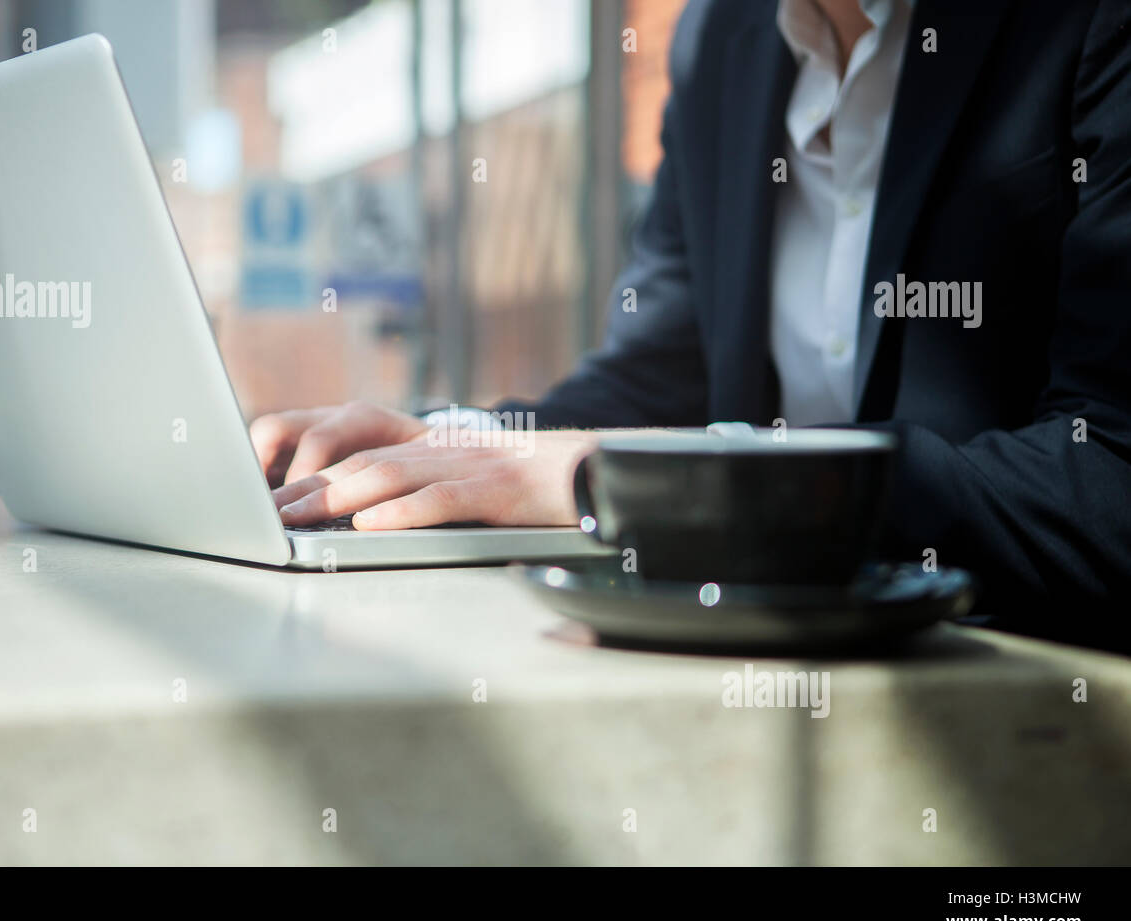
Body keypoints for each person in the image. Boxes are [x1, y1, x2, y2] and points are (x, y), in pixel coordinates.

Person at [252, 0, 1131, 638]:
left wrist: (631, 480)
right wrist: (459, 442)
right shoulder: (725, 37)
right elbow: (660, 370)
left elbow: (1106, 482)